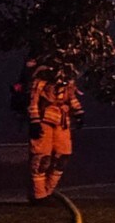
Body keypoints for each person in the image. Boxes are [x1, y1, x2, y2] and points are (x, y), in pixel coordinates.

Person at [22, 57, 82, 203]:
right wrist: (34, 121)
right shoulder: (41, 78)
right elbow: (33, 100)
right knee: (42, 158)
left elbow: (71, 97)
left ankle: (47, 191)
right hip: (44, 121)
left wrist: (79, 113)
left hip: (62, 122)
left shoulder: (68, 78)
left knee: (63, 157)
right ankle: (39, 195)